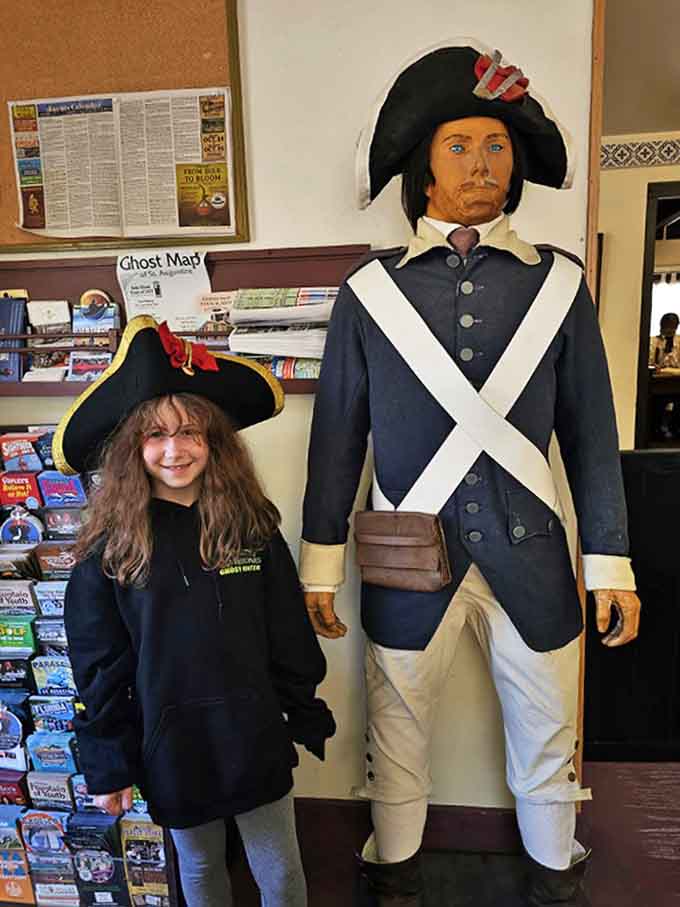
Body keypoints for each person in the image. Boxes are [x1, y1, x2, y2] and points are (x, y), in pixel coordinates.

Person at [299, 40, 641, 907]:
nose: (482, 163)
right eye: (459, 145)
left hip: (532, 555)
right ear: (424, 168)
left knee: (548, 734)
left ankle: (556, 883)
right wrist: (320, 565)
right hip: (409, 558)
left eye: (496, 145)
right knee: (397, 731)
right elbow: (336, 440)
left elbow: (594, 438)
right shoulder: (368, 294)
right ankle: (398, 881)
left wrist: (610, 564)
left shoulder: (560, 286)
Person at [57, 316, 335, 907]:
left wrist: (302, 708)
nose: (174, 450)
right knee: (201, 869)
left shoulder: (251, 528)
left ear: (215, 443)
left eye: (190, 434)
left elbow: (286, 630)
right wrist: (108, 762)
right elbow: (99, 665)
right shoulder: (109, 552)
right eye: (155, 436)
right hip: (172, 742)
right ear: (134, 449)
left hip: (252, 732)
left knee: (280, 871)